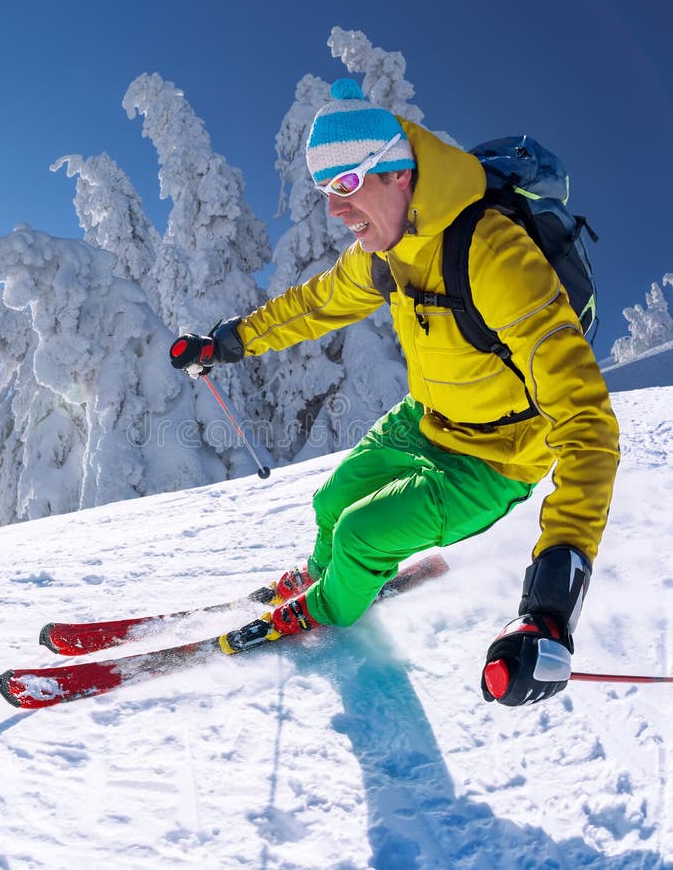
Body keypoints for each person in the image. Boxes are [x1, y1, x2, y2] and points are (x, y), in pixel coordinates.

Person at [169, 78, 620, 707]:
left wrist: (550, 604)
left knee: (359, 533)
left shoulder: (494, 254)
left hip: (495, 458)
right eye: (327, 192)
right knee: (332, 503)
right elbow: (316, 304)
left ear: (399, 173)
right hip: (427, 419)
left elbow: (588, 423)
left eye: (348, 185)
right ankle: (331, 579)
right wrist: (227, 343)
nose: (335, 209)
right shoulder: (386, 247)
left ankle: (329, 608)